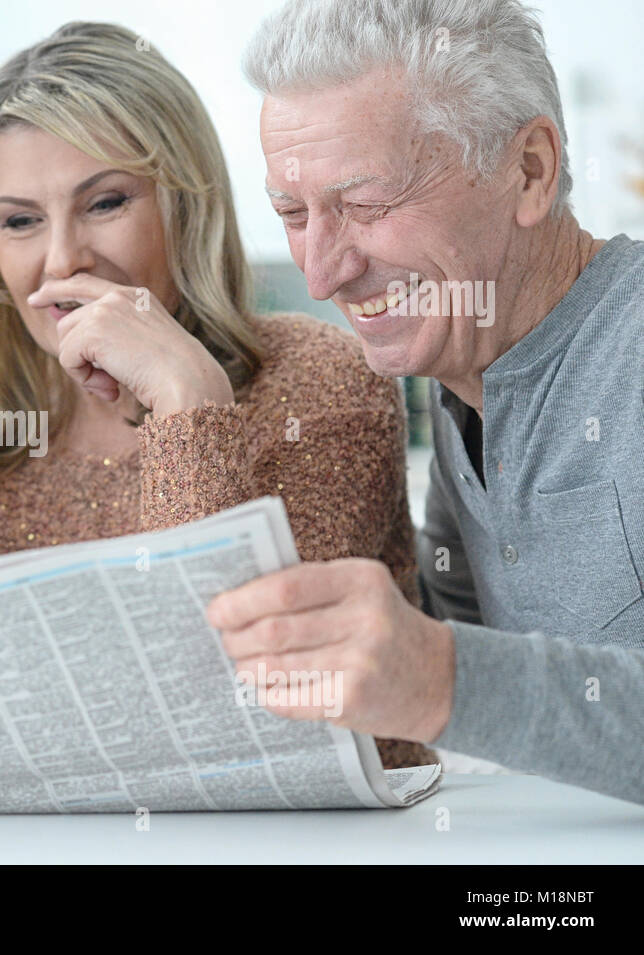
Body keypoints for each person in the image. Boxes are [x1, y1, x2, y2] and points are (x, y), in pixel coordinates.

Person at [0, 21, 432, 771]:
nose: (64, 257)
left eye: (105, 203)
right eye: (19, 221)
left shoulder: (320, 385)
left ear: (184, 205)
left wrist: (186, 400)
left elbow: (230, 709)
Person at [211, 0, 643, 804]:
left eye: (367, 205)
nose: (322, 275)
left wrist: (444, 678)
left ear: (530, 171)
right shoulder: (465, 382)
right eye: (293, 214)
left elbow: (457, 681)